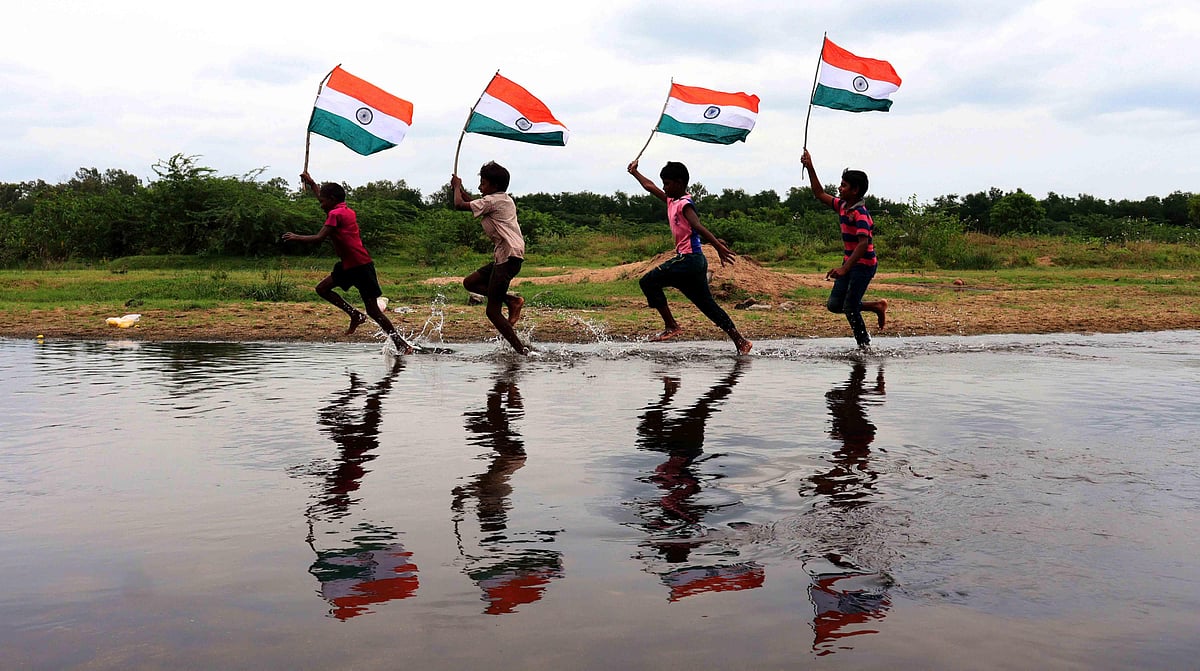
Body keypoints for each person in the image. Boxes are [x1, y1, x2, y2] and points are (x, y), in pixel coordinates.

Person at [626, 160, 752, 355]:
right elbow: (649, 187)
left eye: (667, 183)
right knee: (707, 305)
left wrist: (717, 246)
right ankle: (741, 341)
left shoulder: (685, 204)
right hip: (695, 262)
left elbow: (698, 226)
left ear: (679, 183)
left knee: (648, 281)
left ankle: (671, 325)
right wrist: (635, 172)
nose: (664, 187)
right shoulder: (671, 200)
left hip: (689, 260)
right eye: (663, 183)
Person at [282, 172, 414, 354]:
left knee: (374, 311)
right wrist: (312, 183)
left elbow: (319, 238)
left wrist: (296, 237)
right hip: (349, 265)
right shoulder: (344, 210)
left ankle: (401, 344)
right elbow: (323, 196)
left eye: (322, 201)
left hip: (360, 266)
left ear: (332, 199)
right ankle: (355, 314)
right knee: (322, 289)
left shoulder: (335, 215)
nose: (321, 205)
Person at [799, 150, 888, 349]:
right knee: (834, 305)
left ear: (855, 190)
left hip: (863, 266)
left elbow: (863, 244)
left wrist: (844, 269)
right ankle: (876, 306)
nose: (839, 188)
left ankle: (864, 347)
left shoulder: (860, 213)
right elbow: (819, 193)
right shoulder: (842, 206)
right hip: (849, 265)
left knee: (849, 306)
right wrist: (810, 167)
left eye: (843, 185)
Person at [451, 161, 531, 355]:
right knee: (471, 283)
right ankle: (511, 301)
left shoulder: (492, 201)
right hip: (507, 256)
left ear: (494, 186)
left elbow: (459, 205)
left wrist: (456, 188)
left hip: (508, 257)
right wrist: (460, 188)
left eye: (483, 183)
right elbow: (474, 204)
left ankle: (522, 351)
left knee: (492, 311)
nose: (480, 187)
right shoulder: (504, 199)